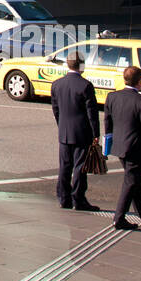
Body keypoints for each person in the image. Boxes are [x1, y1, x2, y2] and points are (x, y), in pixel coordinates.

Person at [105, 66, 141, 230]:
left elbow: (107, 122)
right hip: (137, 149)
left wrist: (109, 142)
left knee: (134, 180)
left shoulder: (112, 97)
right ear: (139, 81)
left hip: (120, 146)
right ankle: (119, 218)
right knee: (131, 182)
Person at [50, 49, 100, 211]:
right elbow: (91, 113)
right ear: (81, 66)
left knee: (64, 166)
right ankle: (78, 198)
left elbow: (56, 109)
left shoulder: (57, 84)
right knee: (79, 167)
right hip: (82, 132)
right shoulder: (85, 85)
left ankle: (63, 198)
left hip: (64, 131)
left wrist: (61, 125)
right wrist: (96, 134)